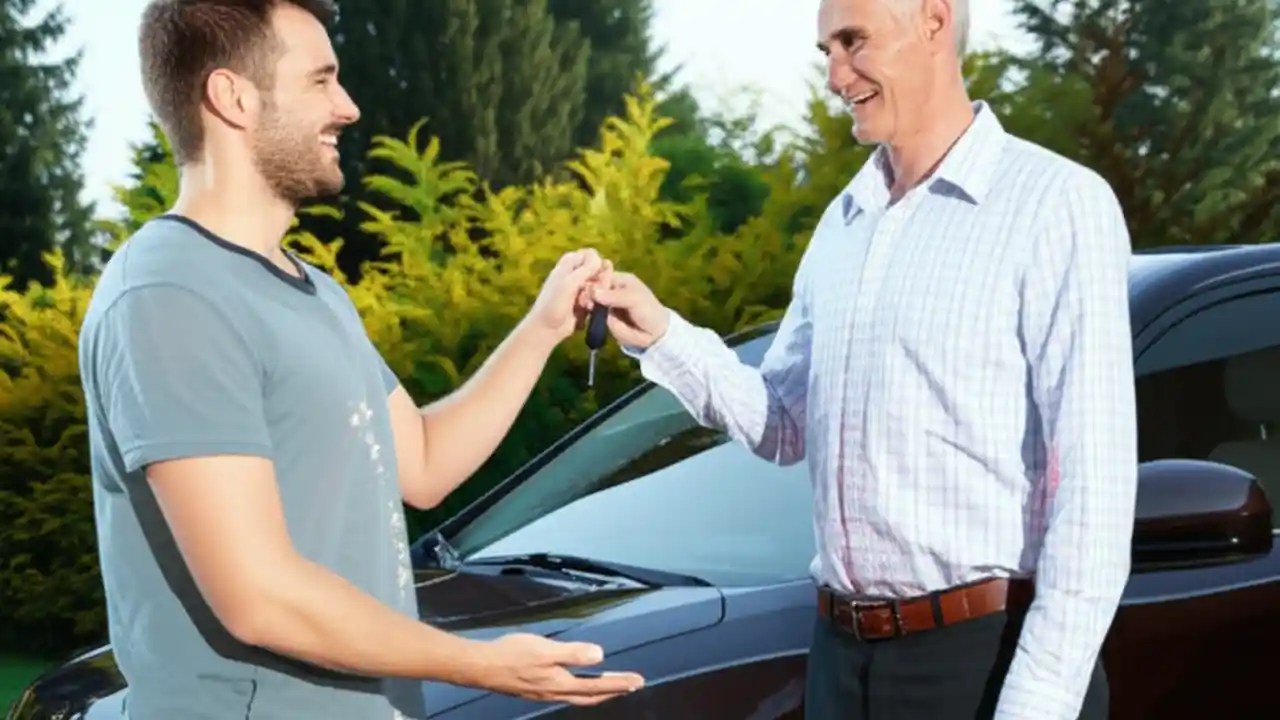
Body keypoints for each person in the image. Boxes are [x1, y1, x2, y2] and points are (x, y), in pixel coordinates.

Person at [76, 1, 640, 718]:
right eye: (321, 81)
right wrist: (480, 664)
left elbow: (425, 462)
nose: (348, 107)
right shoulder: (170, 294)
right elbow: (260, 597)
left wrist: (541, 328)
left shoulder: (315, 293)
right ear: (233, 97)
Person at [587, 0, 1135, 718]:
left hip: (983, 666)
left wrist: (1037, 703)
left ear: (934, 21)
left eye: (853, 42)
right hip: (841, 663)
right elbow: (784, 423)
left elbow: (1094, 491)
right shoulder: (843, 225)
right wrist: (662, 334)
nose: (835, 75)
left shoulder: (1057, 206)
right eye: (826, 52)